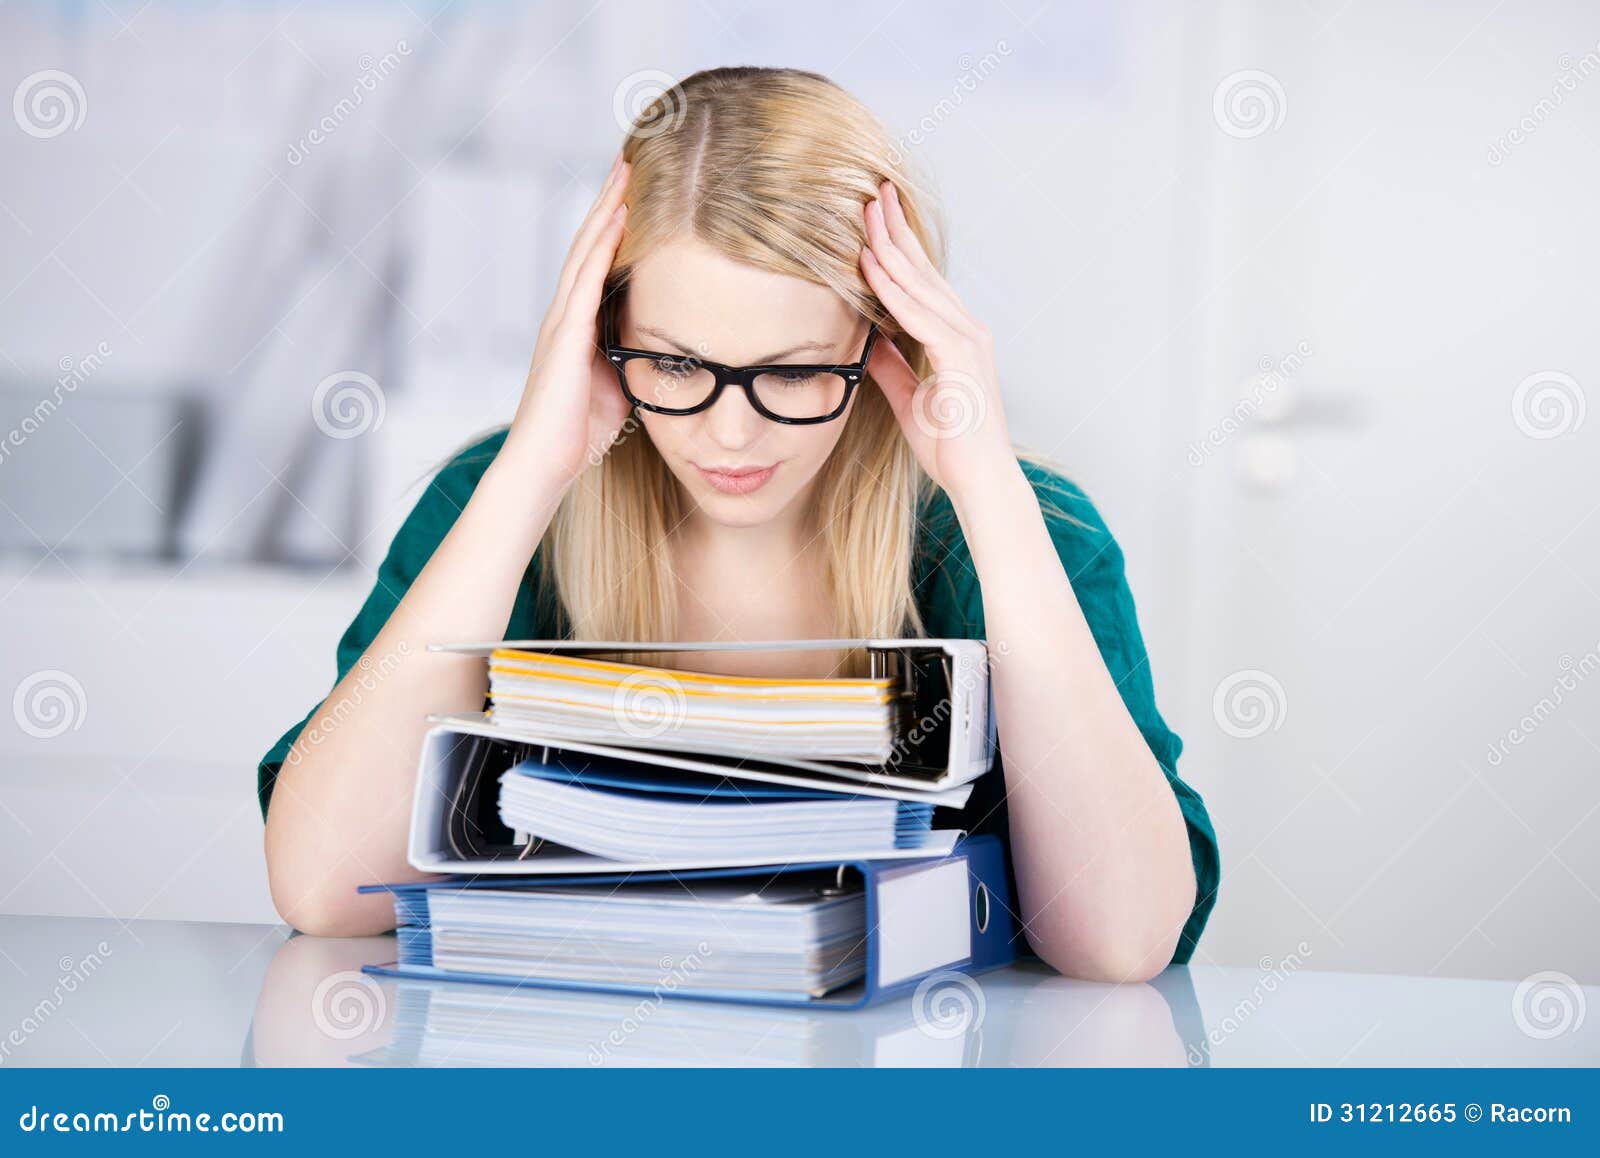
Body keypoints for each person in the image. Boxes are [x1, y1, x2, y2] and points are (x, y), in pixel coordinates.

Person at [258, 66, 1219, 982]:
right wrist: (532, 469)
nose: (730, 431)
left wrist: (990, 488)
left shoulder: (1019, 531)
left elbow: (1122, 937)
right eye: (675, 365)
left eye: (796, 371)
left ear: (885, 338)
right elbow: (322, 886)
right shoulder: (501, 501)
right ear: (602, 331)